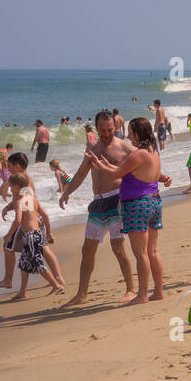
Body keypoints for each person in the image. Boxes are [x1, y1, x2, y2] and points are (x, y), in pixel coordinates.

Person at [85, 117, 171, 305]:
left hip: (137, 205)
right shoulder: (153, 151)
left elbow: (115, 173)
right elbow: (123, 169)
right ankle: (158, 291)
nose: (128, 135)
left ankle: (142, 295)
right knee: (153, 251)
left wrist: (96, 162)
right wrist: (101, 162)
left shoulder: (138, 153)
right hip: (154, 202)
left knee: (141, 254)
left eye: (131, 132)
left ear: (139, 133)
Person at [55, 110, 138, 306]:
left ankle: (131, 290)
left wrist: (152, 186)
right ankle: (82, 294)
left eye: (110, 130)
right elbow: (82, 172)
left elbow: (145, 163)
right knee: (87, 249)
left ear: (115, 128)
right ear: (97, 128)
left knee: (118, 247)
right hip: (97, 203)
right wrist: (67, 192)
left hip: (116, 201)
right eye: (102, 130)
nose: (106, 133)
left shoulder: (125, 148)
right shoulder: (93, 147)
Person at [4, 174, 65, 298]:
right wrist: (48, 232)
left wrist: (9, 235)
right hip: (37, 234)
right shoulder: (33, 200)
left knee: (37, 263)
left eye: (10, 187)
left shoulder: (19, 202)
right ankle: (22, 291)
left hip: (30, 236)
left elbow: (17, 220)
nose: (10, 190)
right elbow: (45, 216)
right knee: (24, 264)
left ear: (16, 187)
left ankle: (56, 285)